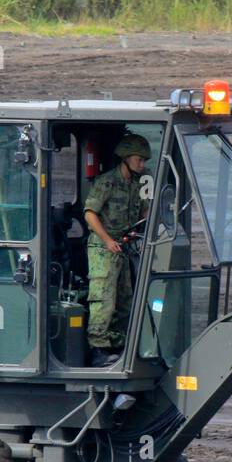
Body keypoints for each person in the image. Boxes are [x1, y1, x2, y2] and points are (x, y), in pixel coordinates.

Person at [82, 133, 150, 366]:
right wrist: (108, 240)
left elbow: (143, 212)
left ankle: (118, 346)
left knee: (125, 300)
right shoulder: (107, 182)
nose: (142, 164)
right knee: (104, 300)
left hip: (123, 248)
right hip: (103, 249)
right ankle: (98, 349)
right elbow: (90, 214)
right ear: (126, 158)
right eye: (139, 159)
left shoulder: (136, 185)